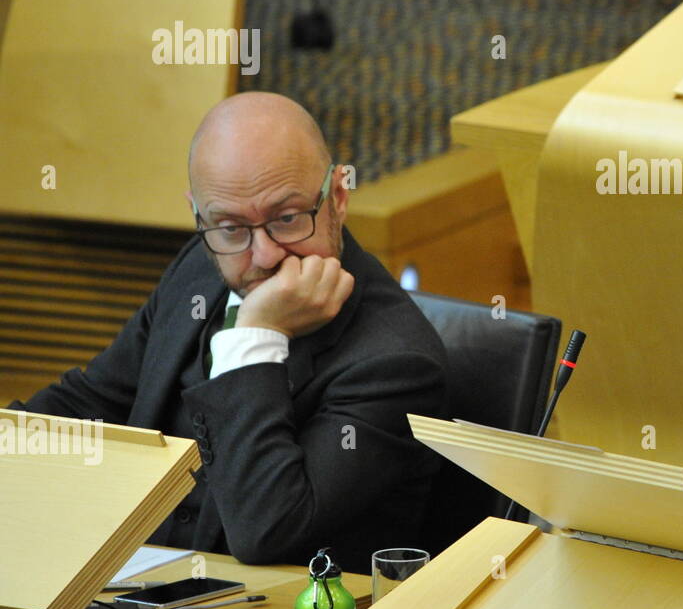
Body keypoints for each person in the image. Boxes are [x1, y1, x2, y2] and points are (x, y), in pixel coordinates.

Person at [14, 93, 448, 573]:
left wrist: (257, 335)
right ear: (199, 218)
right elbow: (91, 405)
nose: (263, 255)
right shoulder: (200, 269)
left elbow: (269, 530)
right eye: (230, 228)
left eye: (286, 218)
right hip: (132, 581)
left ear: (338, 199)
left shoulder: (396, 363)